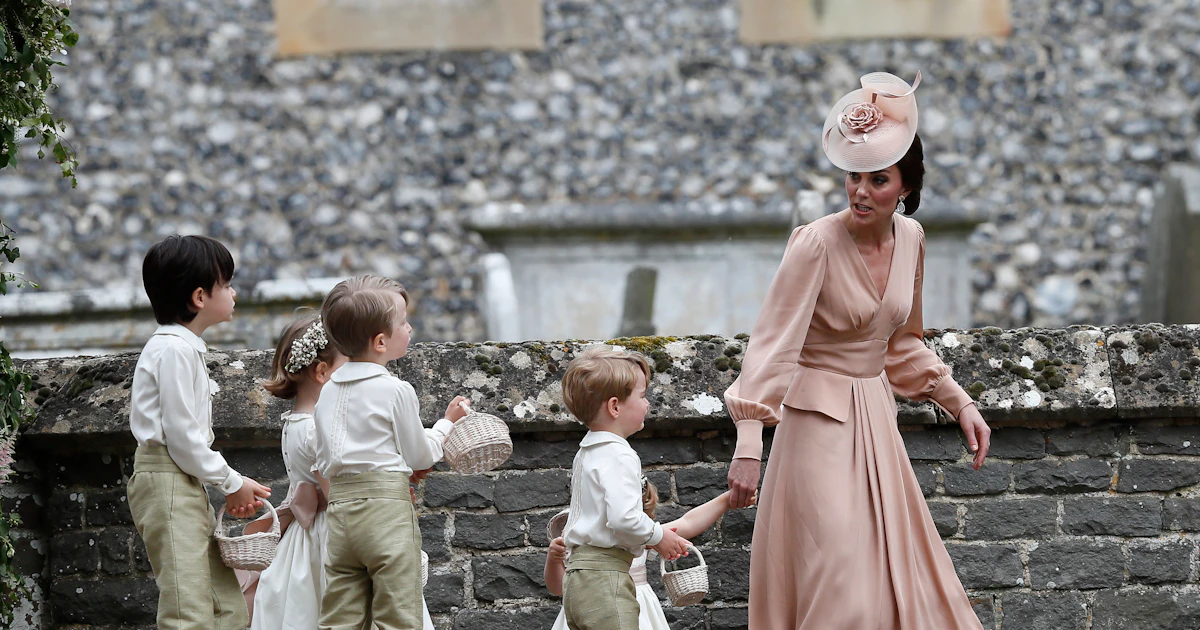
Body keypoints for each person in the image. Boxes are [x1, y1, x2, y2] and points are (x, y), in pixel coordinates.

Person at [724, 71, 992, 629]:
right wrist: (750, 442)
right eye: (853, 177)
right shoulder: (815, 242)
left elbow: (902, 343)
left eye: (878, 179)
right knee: (840, 583)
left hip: (876, 419)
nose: (861, 191)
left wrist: (957, 401)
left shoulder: (913, 240)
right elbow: (772, 344)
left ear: (906, 189)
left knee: (893, 583)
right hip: (815, 425)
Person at [126, 235, 272, 629]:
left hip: (181, 479)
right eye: (226, 284)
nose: (233, 291)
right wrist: (231, 481)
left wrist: (230, 484)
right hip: (168, 477)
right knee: (187, 607)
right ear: (199, 297)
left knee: (224, 604)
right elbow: (183, 438)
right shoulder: (174, 350)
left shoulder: (182, 347)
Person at [312, 275, 468, 630]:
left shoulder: (327, 392)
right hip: (384, 510)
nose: (409, 327)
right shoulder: (395, 390)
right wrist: (444, 426)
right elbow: (420, 456)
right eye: (403, 322)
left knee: (340, 616)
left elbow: (323, 456)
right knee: (398, 615)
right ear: (381, 342)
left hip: (341, 512)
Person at [558, 347, 691, 630]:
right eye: (642, 396)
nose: (647, 404)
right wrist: (659, 536)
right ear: (615, 406)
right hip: (606, 574)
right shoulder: (620, 454)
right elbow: (624, 518)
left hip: (578, 577)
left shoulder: (587, 451)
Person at [545, 483, 753, 630]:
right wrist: (554, 559)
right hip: (589, 608)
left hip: (638, 608)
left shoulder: (640, 535)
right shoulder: (580, 540)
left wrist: (726, 500)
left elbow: (688, 522)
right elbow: (558, 589)